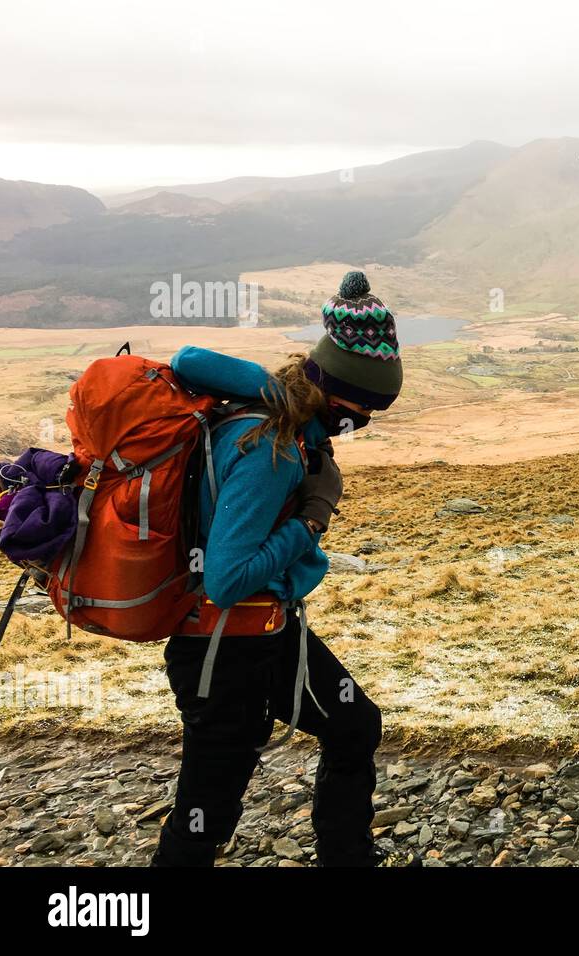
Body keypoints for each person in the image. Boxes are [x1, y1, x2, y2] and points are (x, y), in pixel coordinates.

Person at [151, 271, 402, 867]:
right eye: (362, 409)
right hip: (222, 649)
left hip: (271, 633)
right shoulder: (272, 449)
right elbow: (227, 577)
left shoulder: (288, 418)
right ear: (335, 396)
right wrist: (311, 522)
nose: (362, 422)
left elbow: (189, 358)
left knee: (354, 726)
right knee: (207, 808)